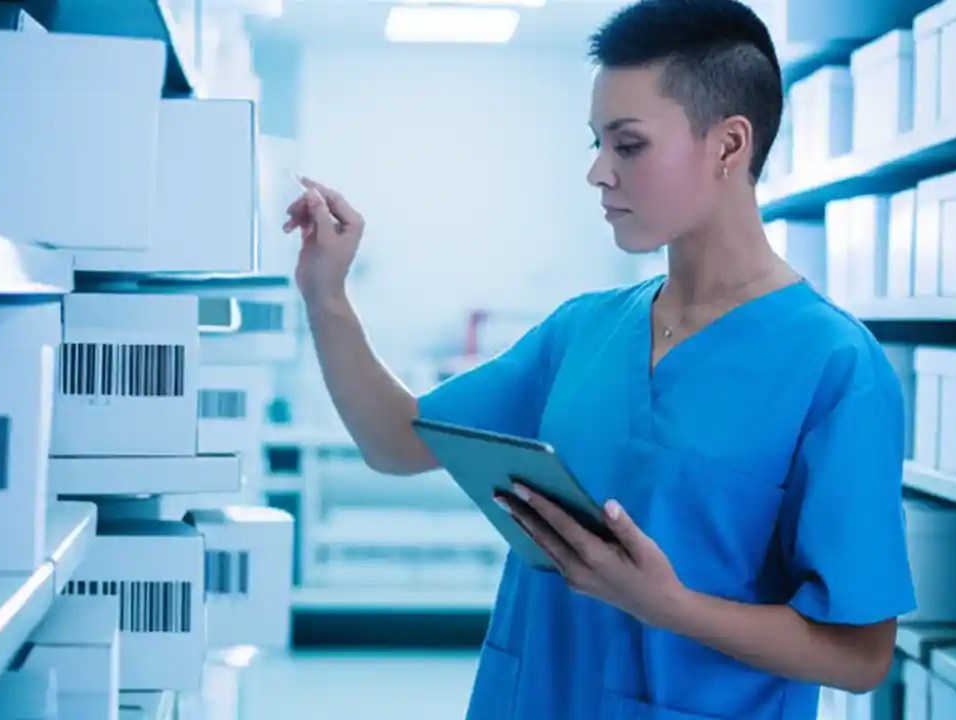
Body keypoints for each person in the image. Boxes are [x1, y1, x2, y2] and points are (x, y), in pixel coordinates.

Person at [281, 0, 916, 717]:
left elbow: (861, 654)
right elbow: (395, 441)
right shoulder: (584, 332)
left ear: (729, 146)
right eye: (597, 142)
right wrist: (325, 294)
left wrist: (668, 606)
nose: (598, 173)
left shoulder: (834, 367)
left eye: (629, 145)